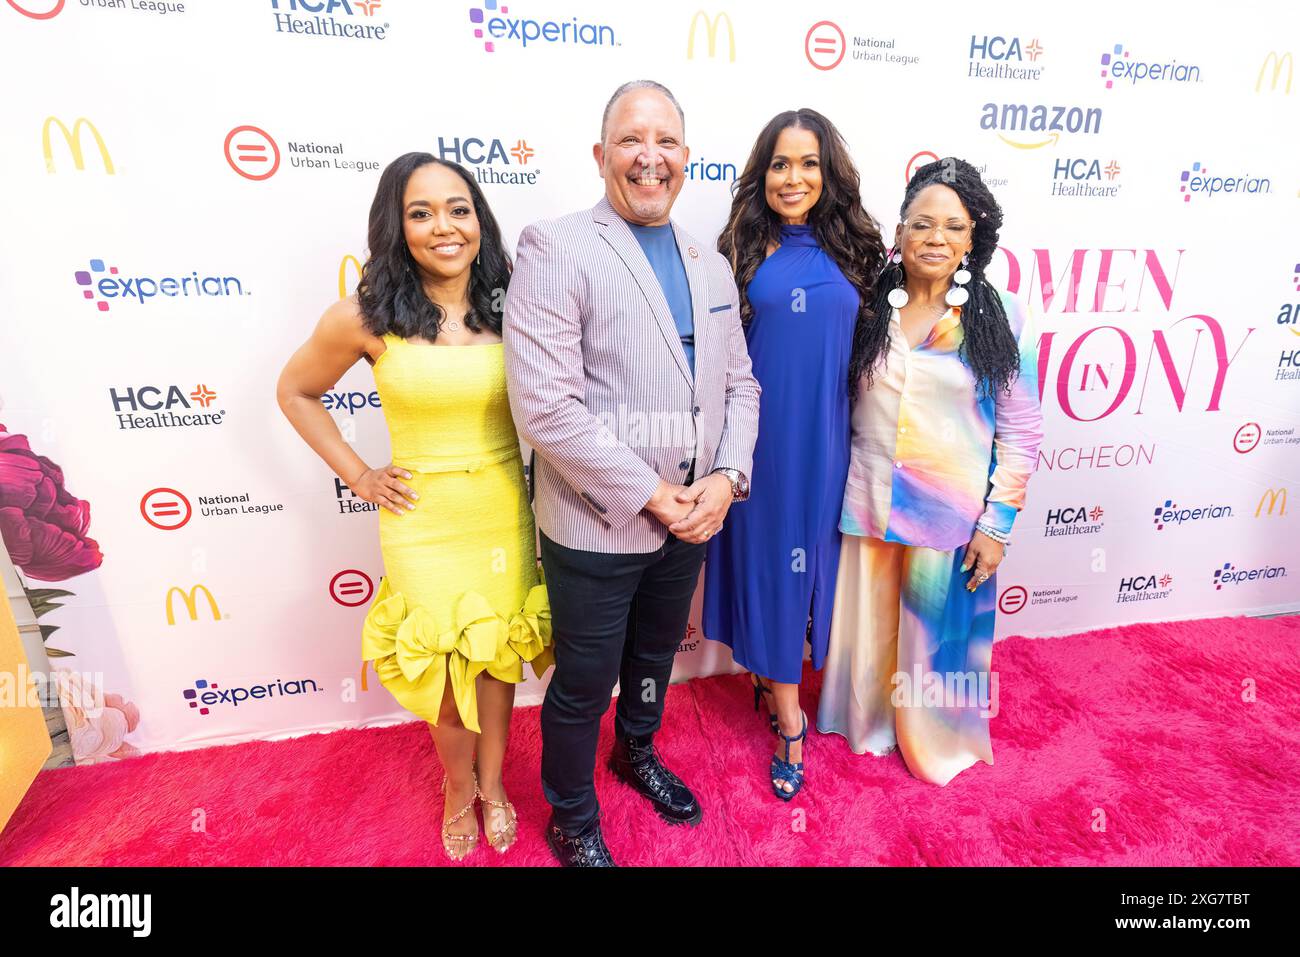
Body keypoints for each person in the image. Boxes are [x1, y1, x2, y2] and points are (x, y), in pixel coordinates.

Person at [503, 80, 761, 866]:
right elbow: (545, 407)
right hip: (599, 520)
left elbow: (740, 383)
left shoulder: (710, 263)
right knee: (584, 679)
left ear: (686, 156)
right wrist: (653, 495)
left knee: (652, 659)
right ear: (601, 155)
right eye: (630, 140)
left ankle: (636, 752)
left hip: (693, 514)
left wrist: (725, 480)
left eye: (666, 142)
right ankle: (572, 815)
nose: (650, 158)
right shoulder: (556, 245)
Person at [276, 153, 552, 861]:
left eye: (458, 208)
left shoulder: (514, 297)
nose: (444, 227)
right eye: (421, 212)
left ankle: (495, 784)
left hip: (500, 510)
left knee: (495, 660)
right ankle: (457, 789)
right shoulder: (366, 314)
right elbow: (295, 391)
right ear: (397, 227)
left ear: (479, 218)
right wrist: (360, 474)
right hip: (422, 521)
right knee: (445, 670)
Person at [817, 157, 1043, 787]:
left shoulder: (1005, 319)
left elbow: (1021, 430)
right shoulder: (865, 309)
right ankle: (865, 725)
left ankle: (934, 738)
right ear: (900, 231)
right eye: (922, 224)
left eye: (953, 226)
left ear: (974, 237)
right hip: (867, 504)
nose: (935, 238)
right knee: (869, 635)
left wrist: (997, 524)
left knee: (932, 649)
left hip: (949, 517)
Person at [704, 109, 884, 800]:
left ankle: (777, 683)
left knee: (821, 578)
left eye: (808, 163)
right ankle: (789, 719)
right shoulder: (743, 252)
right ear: (762, 173)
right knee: (778, 576)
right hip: (764, 441)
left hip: (834, 439)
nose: (793, 176)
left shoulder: (860, 254)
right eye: (780, 163)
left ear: (828, 172)